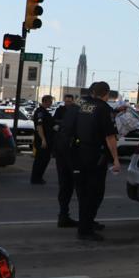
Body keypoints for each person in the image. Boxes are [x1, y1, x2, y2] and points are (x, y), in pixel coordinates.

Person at [59, 81, 120, 241]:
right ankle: (85, 229)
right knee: (94, 193)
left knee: (82, 192)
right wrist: (116, 159)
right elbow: (110, 137)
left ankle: (85, 223)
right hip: (94, 156)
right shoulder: (103, 109)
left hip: (77, 154)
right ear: (106, 94)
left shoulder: (81, 106)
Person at [53, 95, 79, 226]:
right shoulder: (71, 112)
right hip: (70, 154)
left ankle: (63, 215)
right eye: (66, 101)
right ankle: (85, 222)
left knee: (65, 186)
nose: (68, 103)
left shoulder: (69, 114)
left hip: (62, 151)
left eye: (70, 101)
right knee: (76, 187)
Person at [30, 94, 56, 185]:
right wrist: (43, 140)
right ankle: (36, 178)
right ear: (46, 101)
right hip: (42, 140)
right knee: (41, 160)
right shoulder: (40, 112)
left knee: (44, 159)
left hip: (46, 139)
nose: (51, 103)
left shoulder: (45, 111)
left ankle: (38, 177)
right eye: (50, 102)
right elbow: (39, 126)